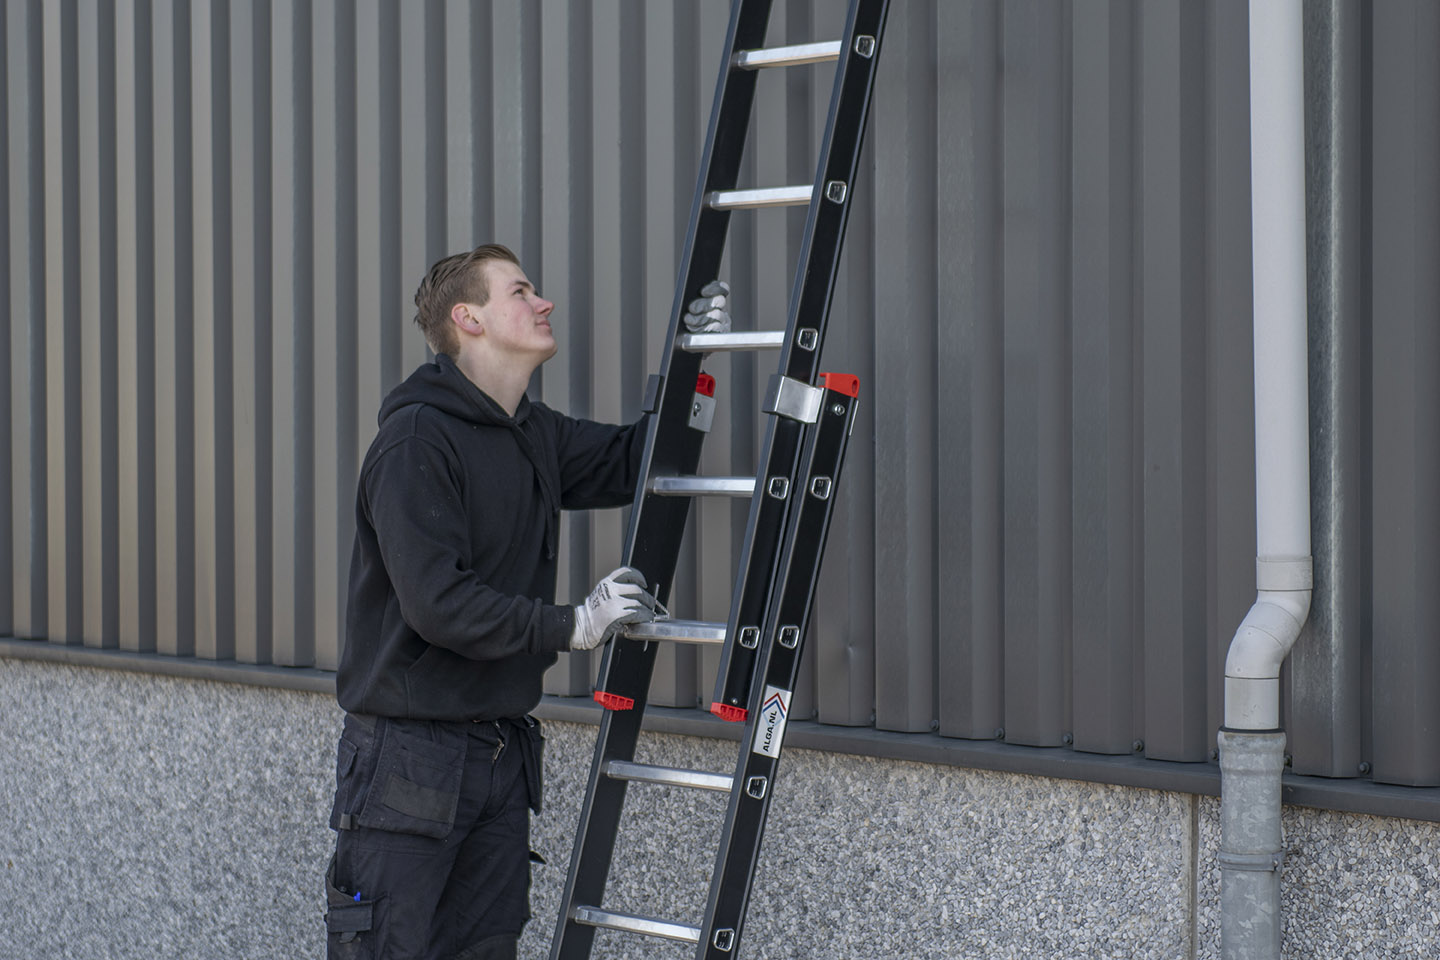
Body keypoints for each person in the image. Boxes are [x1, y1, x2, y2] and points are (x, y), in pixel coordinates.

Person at [322, 242, 727, 960]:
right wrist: (572, 625)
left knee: (486, 950)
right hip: (408, 760)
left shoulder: (532, 434)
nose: (542, 303)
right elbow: (438, 604)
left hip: (499, 754)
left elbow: (641, 462)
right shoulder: (415, 442)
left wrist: (697, 362)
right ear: (468, 318)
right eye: (522, 290)